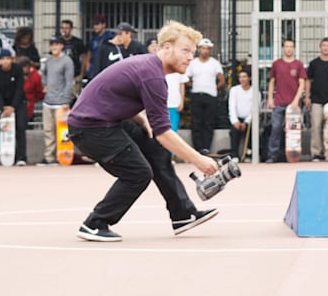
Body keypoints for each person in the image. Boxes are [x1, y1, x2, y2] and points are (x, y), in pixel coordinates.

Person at [70, 21, 220, 242]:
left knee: (156, 150)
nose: (190, 57)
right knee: (139, 173)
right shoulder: (152, 76)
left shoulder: (149, 67)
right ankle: (95, 223)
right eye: (185, 50)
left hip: (106, 121)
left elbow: (114, 96)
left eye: (193, 52)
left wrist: (141, 120)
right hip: (90, 128)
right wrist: (199, 160)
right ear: (167, 47)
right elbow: (164, 133)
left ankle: (182, 214)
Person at [266, 38, 307, 163]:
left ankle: (292, 155)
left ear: (294, 48)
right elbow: (272, 82)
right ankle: (273, 155)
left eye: (291, 46)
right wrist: (270, 99)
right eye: (287, 46)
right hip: (279, 102)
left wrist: (296, 100)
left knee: (293, 132)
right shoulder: (276, 64)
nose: (289, 49)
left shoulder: (298, 64)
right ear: (283, 48)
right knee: (276, 129)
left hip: (294, 105)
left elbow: (302, 84)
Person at [186, 38, 225, 156]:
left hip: (211, 96)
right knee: (196, 122)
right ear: (199, 49)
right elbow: (186, 78)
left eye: (208, 49)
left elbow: (222, 80)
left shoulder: (215, 63)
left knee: (209, 123)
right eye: (203, 48)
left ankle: (206, 148)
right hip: (197, 95)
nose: (205, 51)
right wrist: (195, 86)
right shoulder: (193, 63)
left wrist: (214, 88)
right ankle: (198, 148)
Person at [305, 38, 328, 161]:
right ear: (320, 47)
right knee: (316, 126)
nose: (326, 48)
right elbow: (308, 80)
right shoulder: (314, 63)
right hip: (316, 100)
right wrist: (307, 96)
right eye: (324, 45)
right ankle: (316, 152)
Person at [0, 49, 27, 166]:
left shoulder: (17, 69)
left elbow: (20, 89)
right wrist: (3, 108)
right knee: (3, 129)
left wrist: (13, 107)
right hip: (4, 105)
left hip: (19, 103)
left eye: (8, 59)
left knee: (20, 128)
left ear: (11, 59)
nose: (5, 61)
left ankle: (21, 157)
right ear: (0, 60)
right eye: (3, 59)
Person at [39, 37, 74, 166]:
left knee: (62, 131)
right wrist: (44, 85)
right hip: (48, 101)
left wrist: (66, 100)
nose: (54, 47)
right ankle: (49, 157)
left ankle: (63, 156)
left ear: (61, 46)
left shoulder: (67, 61)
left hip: (61, 103)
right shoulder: (48, 60)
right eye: (52, 45)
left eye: (56, 44)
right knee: (48, 130)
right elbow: (43, 74)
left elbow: (69, 82)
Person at [227, 70, 253, 158]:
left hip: (249, 120)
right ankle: (235, 156)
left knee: (252, 132)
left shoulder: (255, 91)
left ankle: (249, 155)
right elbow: (232, 106)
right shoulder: (234, 90)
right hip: (237, 119)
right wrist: (235, 121)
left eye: (244, 77)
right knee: (234, 132)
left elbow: (255, 109)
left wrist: (246, 122)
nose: (242, 79)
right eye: (240, 77)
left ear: (249, 78)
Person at [83, 15, 114, 80]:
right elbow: (89, 52)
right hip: (94, 70)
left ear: (104, 25)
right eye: (94, 24)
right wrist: (88, 65)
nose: (95, 27)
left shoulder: (110, 37)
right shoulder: (93, 38)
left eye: (97, 24)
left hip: (106, 68)